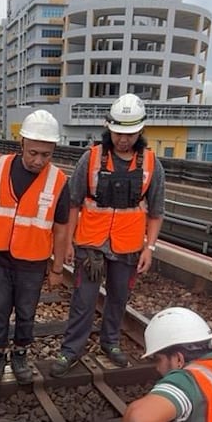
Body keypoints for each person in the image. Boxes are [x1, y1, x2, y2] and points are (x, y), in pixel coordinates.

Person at [50, 93, 166, 376]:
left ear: (140, 131)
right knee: (84, 298)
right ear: (109, 128)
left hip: (128, 245)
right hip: (91, 243)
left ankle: (110, 342)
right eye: (117, 133)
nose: (123, 140)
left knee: (118, 297)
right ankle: (71, 350)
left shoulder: (151, 164)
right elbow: (74, 203)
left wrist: (149, 247)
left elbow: (156, 211)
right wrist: (67, 244)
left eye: (129, 134)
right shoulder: (90, 158)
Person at [0, 110, 70, 386]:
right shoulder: (0, 168)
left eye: (46, 154)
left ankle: (20, 354)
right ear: (21, 142)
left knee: (26, 313)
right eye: (34, 152)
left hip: (33, 264)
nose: (39, 160)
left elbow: (61, 229)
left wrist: (57, 268)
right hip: (1, 257)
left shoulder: (58, 181)